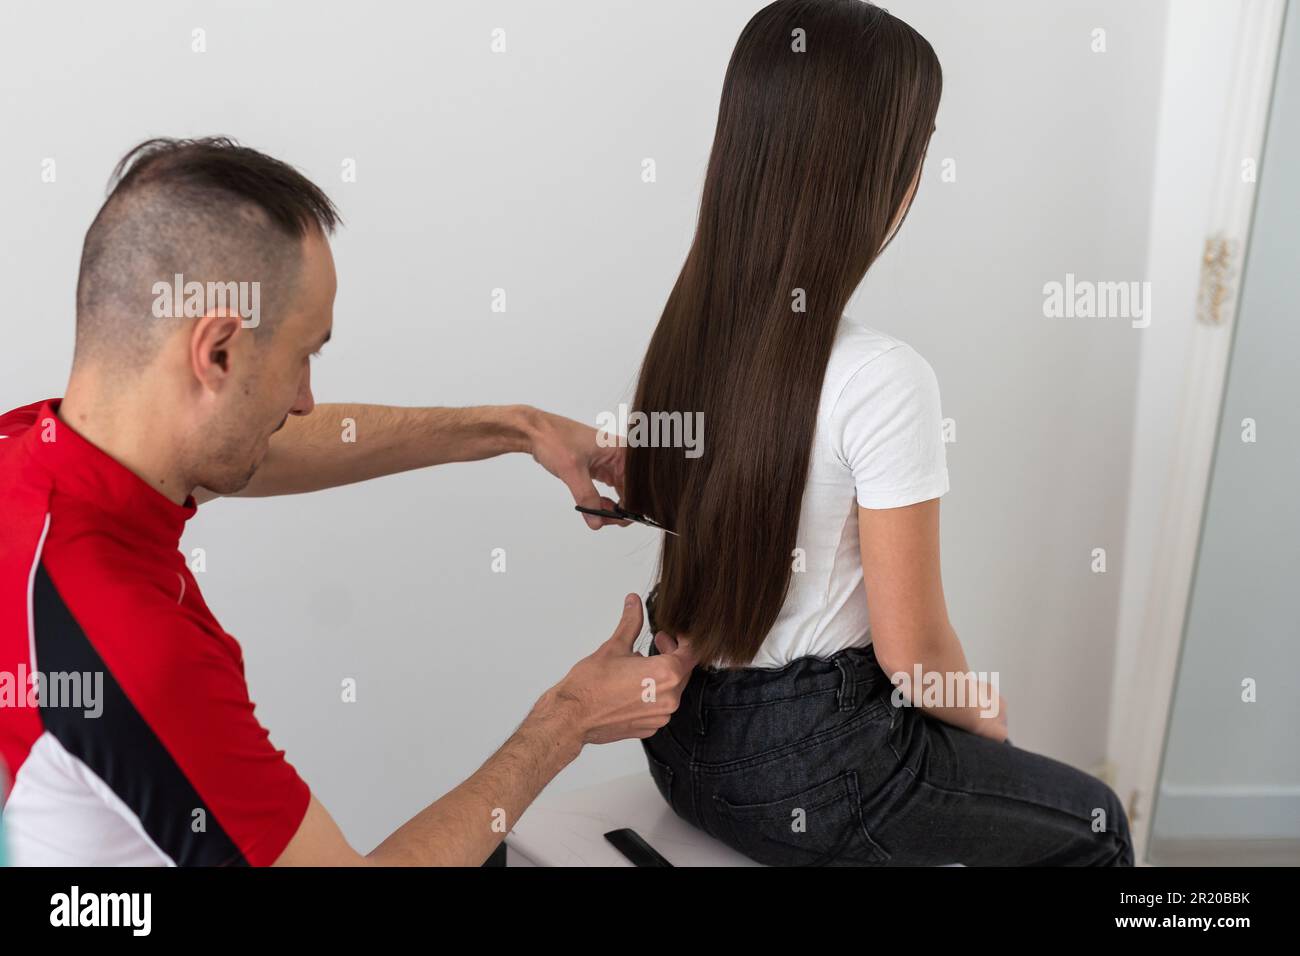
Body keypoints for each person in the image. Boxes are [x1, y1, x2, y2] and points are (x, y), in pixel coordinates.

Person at [0, 136, 697, 867]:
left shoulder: (36, 459)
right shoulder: (129, 647)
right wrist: (569, 721)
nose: (306, 400)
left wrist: (516, 428)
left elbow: (263, 447)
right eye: (305, 356)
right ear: (217, 354)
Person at [625, 0, 1133, 866]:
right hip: (819, 770)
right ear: (873, 172)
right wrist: (986, 717)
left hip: (681, 747)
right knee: (1096, 822)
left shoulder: (692, 331)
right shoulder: (884, 376)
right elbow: (914, 653)